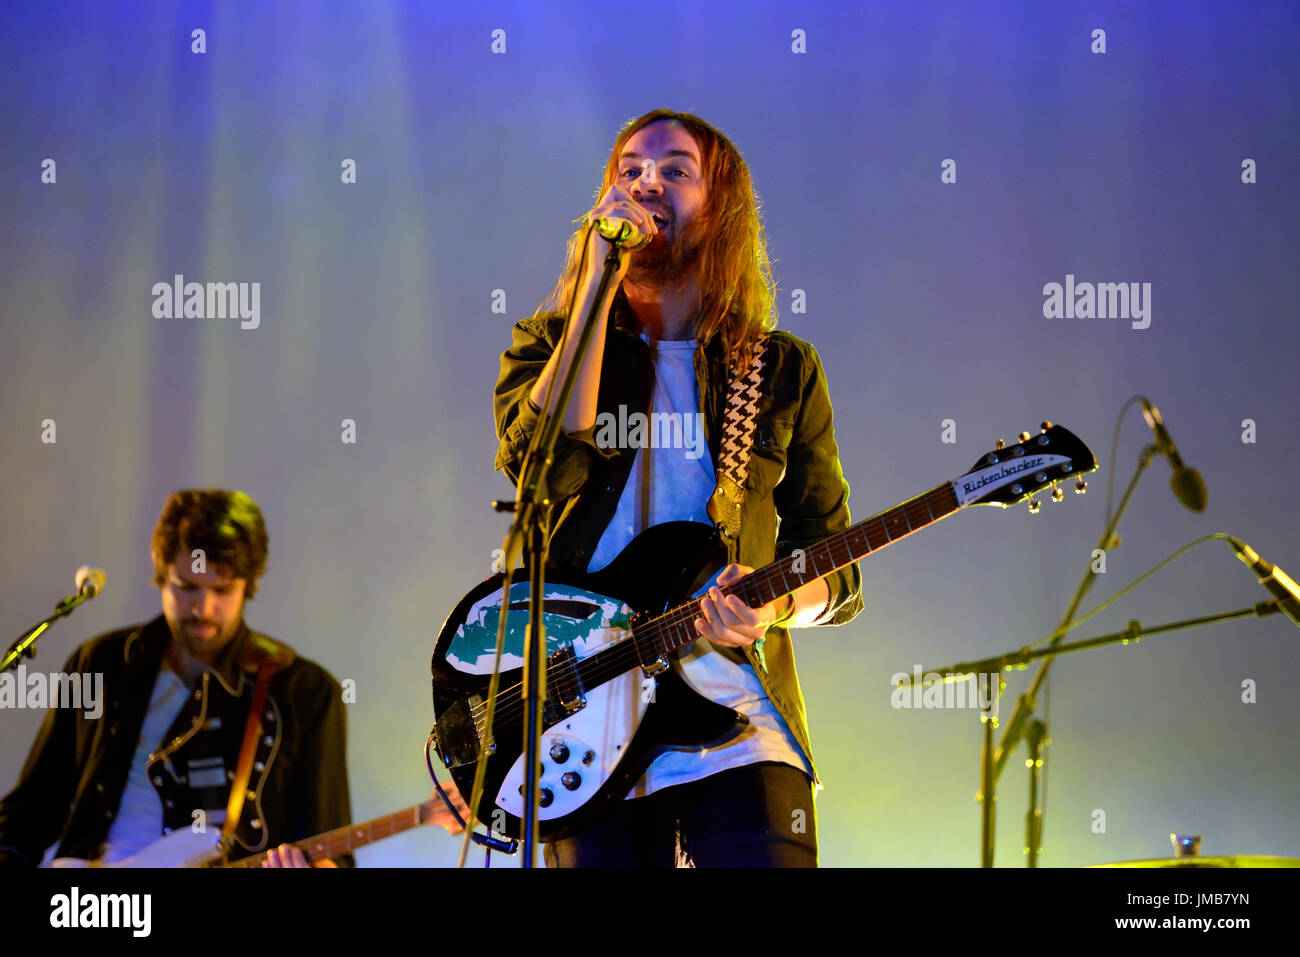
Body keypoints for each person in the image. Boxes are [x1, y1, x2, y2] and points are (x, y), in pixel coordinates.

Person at [493, 110, 863, 867]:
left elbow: (838, 567)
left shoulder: (782, 368)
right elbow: (544, 470)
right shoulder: (545, 347)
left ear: (720, 208)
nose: (645, 182)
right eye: (628, 170)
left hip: (735, 718)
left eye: (674, 170)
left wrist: (775, 601)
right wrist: (598, 276)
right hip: (582, 722)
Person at [0, 489, 463, 868]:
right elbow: (31, 809)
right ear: (161, 576)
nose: (203, 609)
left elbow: (329, 850)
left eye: (222, 591)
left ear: (249, 584)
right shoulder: (101, 662)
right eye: (186, 587)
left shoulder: (303, 692)